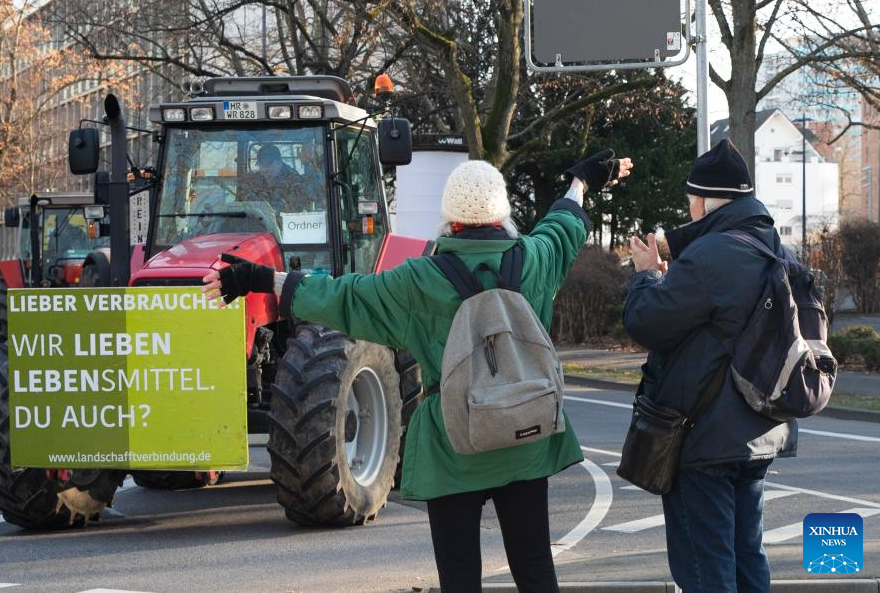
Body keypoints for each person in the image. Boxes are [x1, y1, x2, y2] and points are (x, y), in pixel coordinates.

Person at [204, 152, 632, 592]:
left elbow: (343, 296)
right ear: (501, 211)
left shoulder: (418, 280)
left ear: (450, 217)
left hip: (453, 442)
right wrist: (582, 180)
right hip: (525, 435)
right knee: (535, 567)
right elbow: (564, 224)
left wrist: (258, 279)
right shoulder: (536, 258)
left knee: (459, 575)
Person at [622, 139, 797, 593]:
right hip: (761, 429)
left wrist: (647, 276)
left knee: (706, 569)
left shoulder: (709, 254)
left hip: (704, 437)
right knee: (747, 557)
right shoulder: (777, 249)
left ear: (702, 200)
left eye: (691, 199)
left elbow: (645, 322)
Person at [239, 144, 310, 214]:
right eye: (261, 165)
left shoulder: (294, 180)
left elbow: (298, 208)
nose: (264, 169)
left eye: (268, 164)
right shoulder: (254, 180)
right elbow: (243, 203)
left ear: (279, 162)